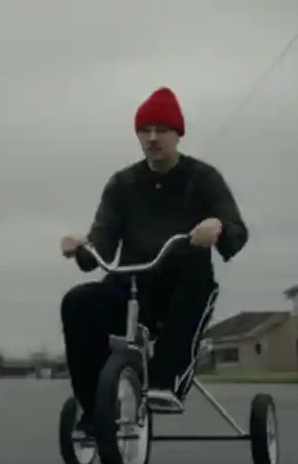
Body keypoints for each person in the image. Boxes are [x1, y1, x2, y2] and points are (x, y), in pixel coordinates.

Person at [59, 87, 249, 436]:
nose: (152, 137)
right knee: (78, 302)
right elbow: (100, 243)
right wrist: (81, 247)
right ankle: (93, 407)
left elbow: (236, 232)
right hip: (129, 283)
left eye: (161, 129)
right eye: (145, 130)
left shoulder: (203, 178)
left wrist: (218, 226)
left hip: (184, 281)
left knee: (193, 293)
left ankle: (166, 382)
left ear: (178, 134)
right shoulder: (122, 184)